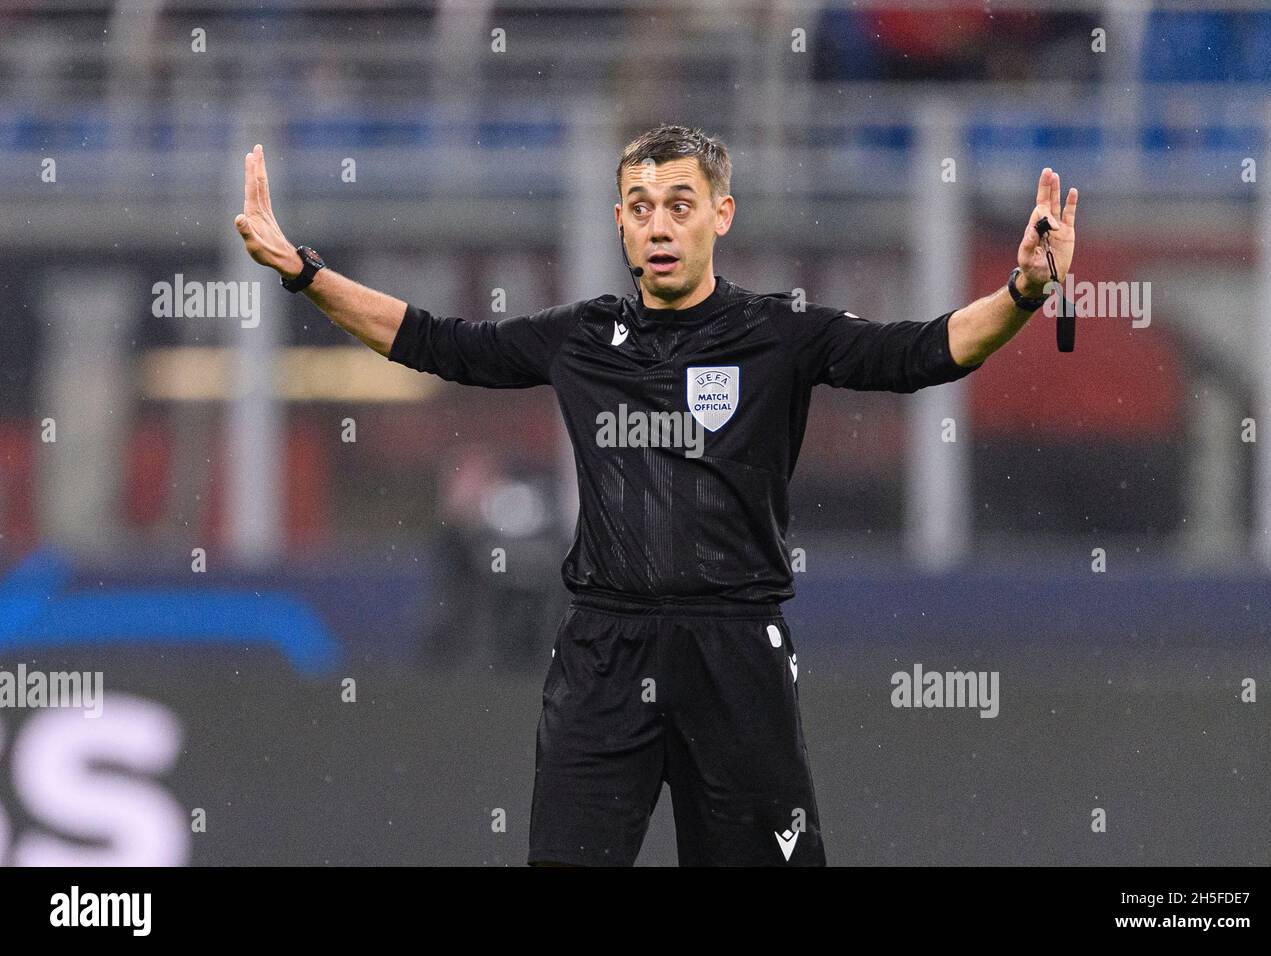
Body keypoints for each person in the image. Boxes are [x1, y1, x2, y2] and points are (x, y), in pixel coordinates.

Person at [234, 125, 1078, 866]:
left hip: (735, 652)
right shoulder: (577, 339)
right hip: (605, 651)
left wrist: (1024, 291)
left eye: (680, 203)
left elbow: (925, 351)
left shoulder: (781, 332)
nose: (659, 224)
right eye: (640, 207)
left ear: (723, 215)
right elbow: (433, 343)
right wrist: (303, 273)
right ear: (620, 226)